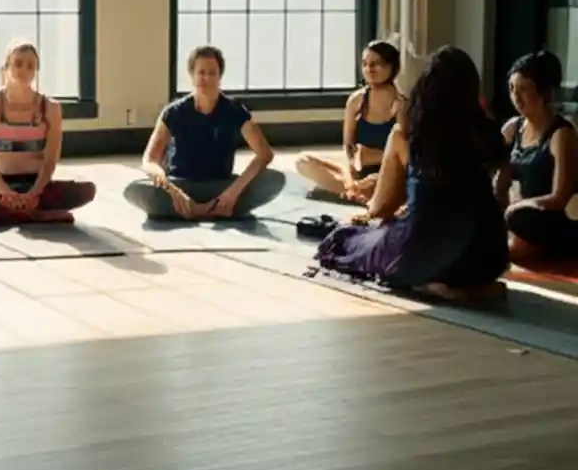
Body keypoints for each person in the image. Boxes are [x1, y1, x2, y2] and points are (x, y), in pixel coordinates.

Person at [314, 46, 509, 301]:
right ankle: (472, 285)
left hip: (427, 250)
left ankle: (437, 285)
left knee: (344, 239)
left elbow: (382, 207)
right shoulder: (487, 133)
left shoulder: (408, 134)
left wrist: (372, 210)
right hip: (490, 253)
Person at [124, 45, 284, 220]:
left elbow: (264, 154)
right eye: (201, 73)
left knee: (274, 179)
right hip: (181, 184)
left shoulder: (234, 111)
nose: (206, 78)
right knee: (136, 189)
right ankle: (200, 208)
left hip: (220, 187)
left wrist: (232, 193)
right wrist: (170, 189)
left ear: (220, 76)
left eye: (212, 73)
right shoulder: (174, 112)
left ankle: (210, 207)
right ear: (192, 75)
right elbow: (149, 160)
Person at [0, 42, 96, 224]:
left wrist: (34, 192)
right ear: (5, 67)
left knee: (87, 190)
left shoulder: (51, 108)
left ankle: (8, 213)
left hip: (38, 185)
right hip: (0, 185)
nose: (24, 70)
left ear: (36, 71)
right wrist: (6, 192)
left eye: (30, 65)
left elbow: (50, 161)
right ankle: (34, 212)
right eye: (18, 63)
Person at [494, 51, 578, 266]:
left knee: (517, 219)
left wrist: (518, 207)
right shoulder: (513, 128)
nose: (516, 96)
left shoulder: (561, 134)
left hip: (546, 219)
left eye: (524, 88)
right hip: (519, 216)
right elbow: (499, 185)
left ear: (544, 93)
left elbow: (559, 198)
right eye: (512, 88)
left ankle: (525, 246)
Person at [295, 40, 404, 204]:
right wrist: (351, 172)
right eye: (365, 64)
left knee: (384, 184)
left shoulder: (403, 105)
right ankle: (354, 191)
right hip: (359, 172)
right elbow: (349, 148)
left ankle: (355, 193)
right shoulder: (356, 101)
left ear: (391, 67)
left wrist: (374, 157)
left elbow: (406, 156)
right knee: (303, 161)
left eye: (375, 64)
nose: (369, 69)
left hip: (387, 175)